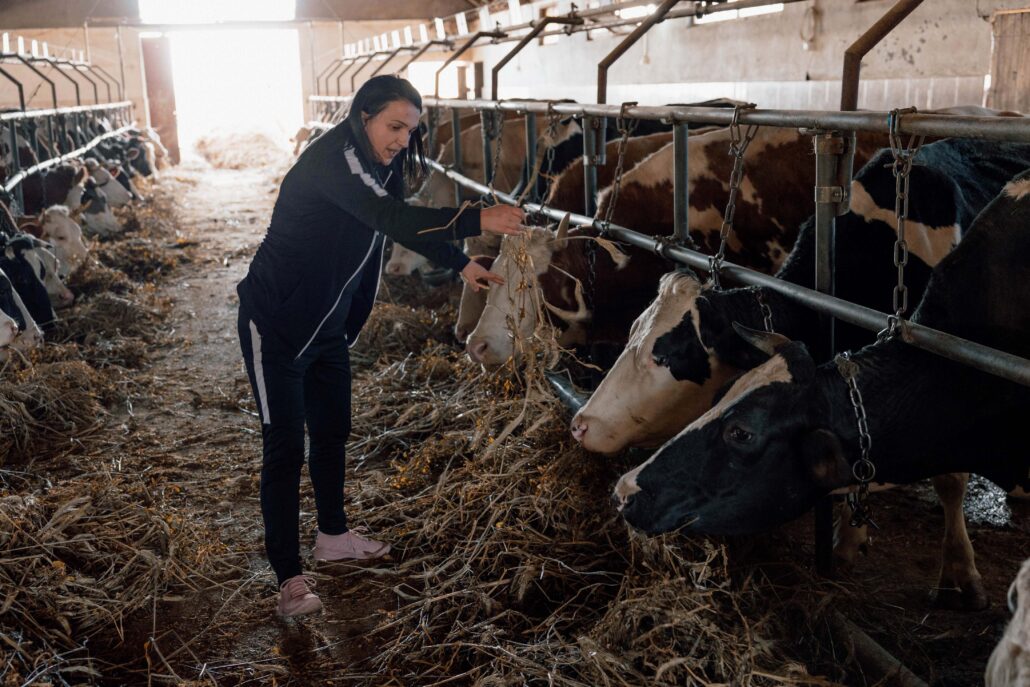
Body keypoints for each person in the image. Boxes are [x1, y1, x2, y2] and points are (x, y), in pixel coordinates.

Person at [236, 75, 524, 617]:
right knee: (283, 450)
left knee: (332, 432)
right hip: (276, 325)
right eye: (394, 126)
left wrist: (462, 264)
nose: (400, 139)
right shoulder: (335, 161)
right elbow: (389, 218)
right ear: (362, 114)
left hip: (327, 325)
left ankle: (334, 537)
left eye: (410, 130)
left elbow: (399, 227)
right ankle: (290, 579)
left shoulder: (379, 165)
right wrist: (475, 220)